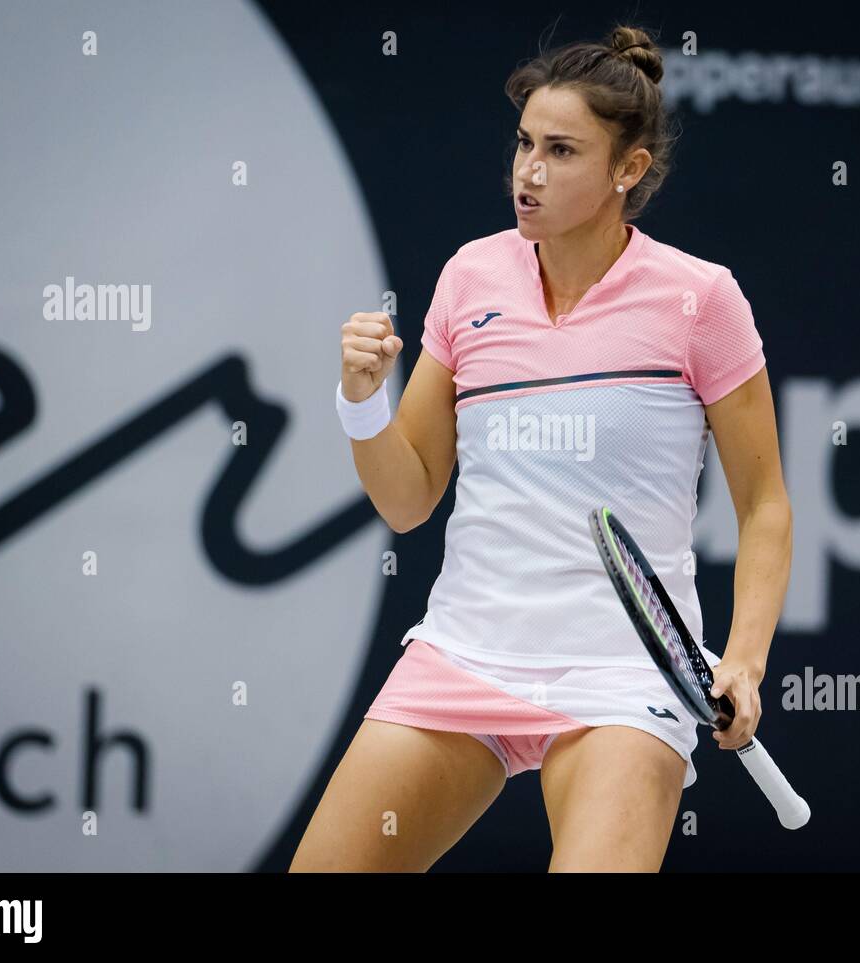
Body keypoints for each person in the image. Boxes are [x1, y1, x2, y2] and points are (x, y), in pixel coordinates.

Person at [290, 25, 792, 872]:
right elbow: (409, 500)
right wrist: (359, 401)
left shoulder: (702, 301)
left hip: (624, 680)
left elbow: (765, 504)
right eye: (525, 143)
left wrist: (743, 660)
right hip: (466, 651)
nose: (528, 172)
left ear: (627, 170)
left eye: (561, 151)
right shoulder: (470, 278)